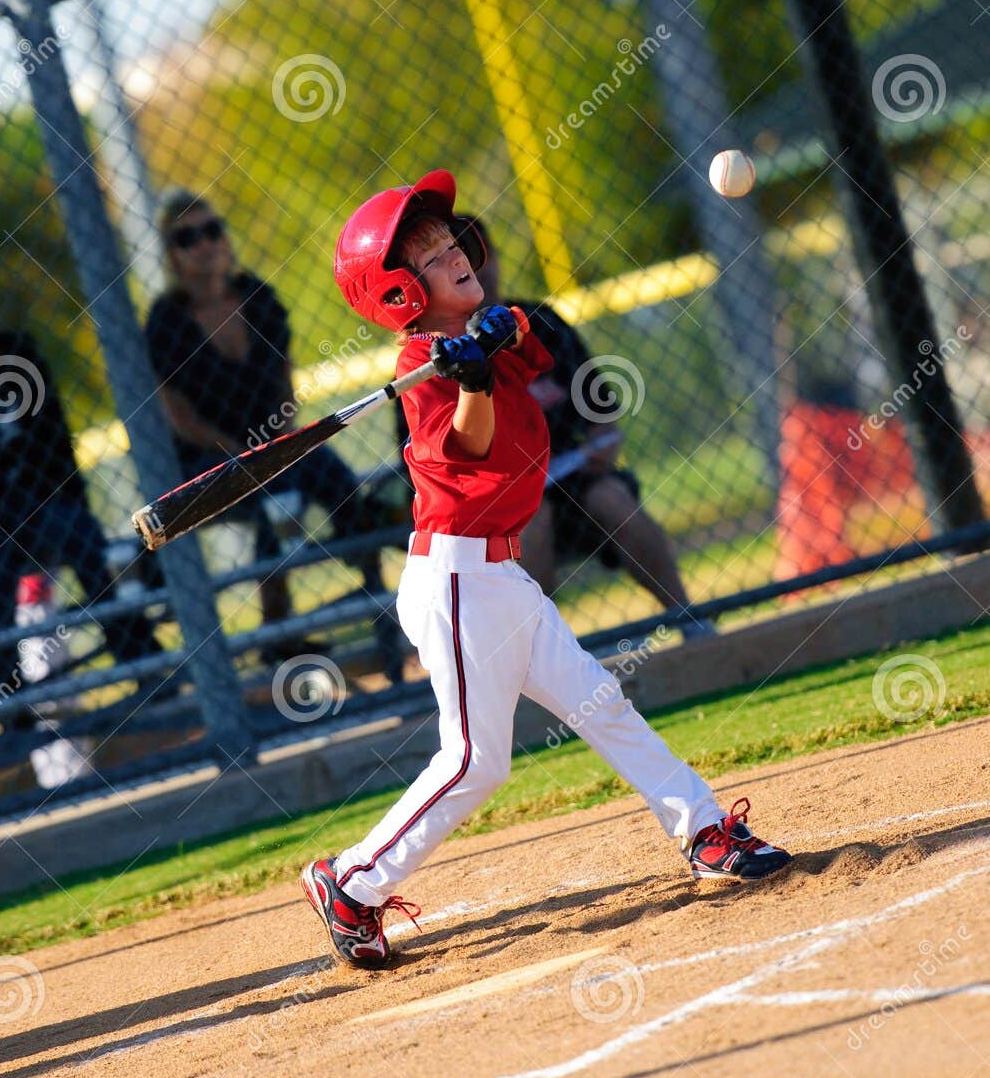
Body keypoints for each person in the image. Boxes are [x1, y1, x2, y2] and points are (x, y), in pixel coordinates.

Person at [301, 170, 790, 969]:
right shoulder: (419, 373)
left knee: (601, 702)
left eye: (447, 236)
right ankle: (350, 881)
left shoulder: (483, 332)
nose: (451, 248)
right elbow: (470, 447)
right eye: (425, 251)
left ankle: (703, 832)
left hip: (500, 577)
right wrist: (467, 381)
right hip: (455, 583)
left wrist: (488, 342)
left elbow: (526, 344)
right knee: (473, 761)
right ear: (396, 290)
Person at [396, 213, 713, 636]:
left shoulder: (532, 321)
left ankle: (686, 617)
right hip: (497, 499)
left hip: (571, 473)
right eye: (445, 258)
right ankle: (536, 648)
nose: (470, 266)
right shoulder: (429, 356)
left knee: (615, 502)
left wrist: (603, 443)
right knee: (534, 519)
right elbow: (430, 461)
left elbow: (600, 410)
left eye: (472, 253)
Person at [0, 264, 160, 694]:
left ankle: (141, 661)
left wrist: (68, 502)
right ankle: (11, 701)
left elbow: (55, 446)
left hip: (36, 503)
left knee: (83, 535)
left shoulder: (15, 353)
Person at [145, 192, 363, 645]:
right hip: (205, 459)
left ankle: (377, 583)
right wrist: (237, 452)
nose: (205, 244)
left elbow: (284, 376)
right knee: (270, 495)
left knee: (334, 475)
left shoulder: (257, 296)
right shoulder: (166, 320)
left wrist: (280, 437)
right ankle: (278, 633)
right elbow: (177, 413)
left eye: (212, 230)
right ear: (172, 255)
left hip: (272, 443)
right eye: (188, 237)